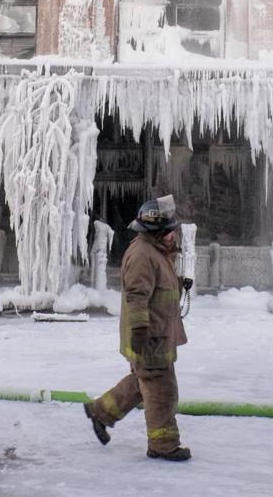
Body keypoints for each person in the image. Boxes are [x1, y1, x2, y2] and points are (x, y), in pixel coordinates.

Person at [85, 194, 191, 461]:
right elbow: (137, 297)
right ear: (154, 231)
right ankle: (163, 445)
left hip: (158, 334)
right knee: (163, 393)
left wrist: (179, 284)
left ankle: (101, 411)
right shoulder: (144, 254)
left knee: (142, 382)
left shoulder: (155, 251)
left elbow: (157, 288)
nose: (173, 236)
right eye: (168, 231)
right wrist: (141, 333)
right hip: (150, 336)